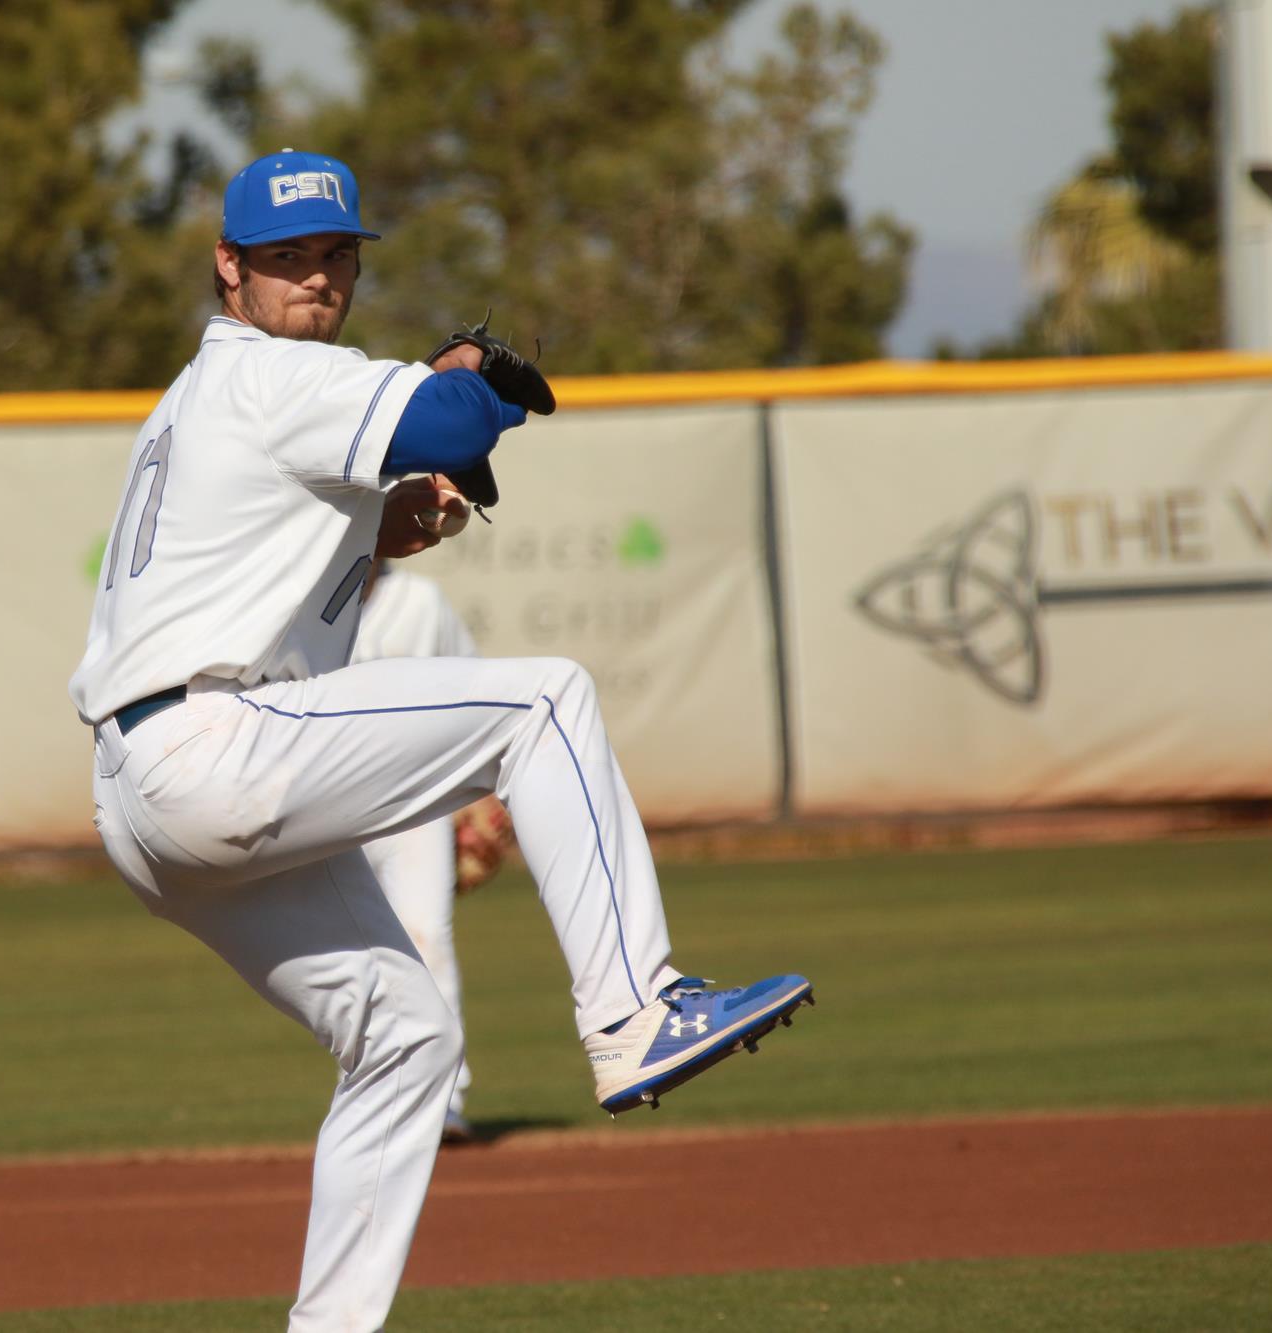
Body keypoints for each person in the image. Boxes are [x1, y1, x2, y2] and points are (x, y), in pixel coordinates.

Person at [70, 148, 812, 1333]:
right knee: (543, 700)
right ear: (229, 267)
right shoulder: (272, 375)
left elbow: (253, 554)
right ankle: (634, 1012)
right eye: (284, 258)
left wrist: (374, 528)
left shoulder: (194, 401)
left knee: (408, 1041)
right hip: (214, 746)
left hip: (145, 793)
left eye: (333, 257)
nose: (313, 278)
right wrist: (467, 372)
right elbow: (446, 411)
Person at [349, 561, 498, 1145]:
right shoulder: (298, 597)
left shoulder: (418, 601)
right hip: (326, 808)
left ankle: (445, 1100)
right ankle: (375, 1101)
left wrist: (478, 797)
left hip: (418, 800)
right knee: (348, 956)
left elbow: (477, 691)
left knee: (425, 936)